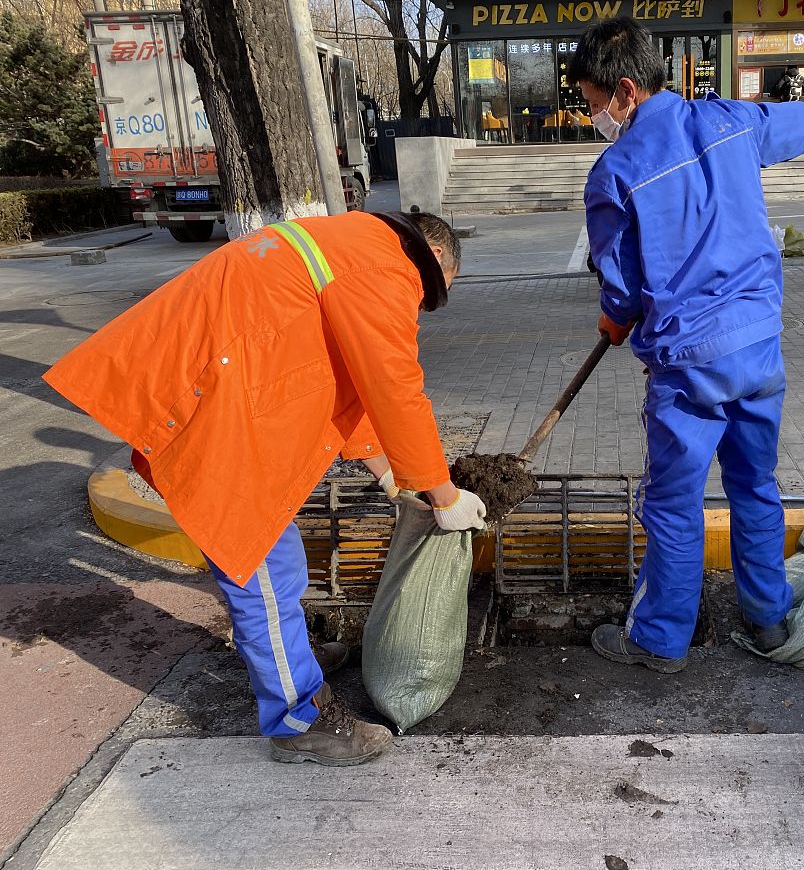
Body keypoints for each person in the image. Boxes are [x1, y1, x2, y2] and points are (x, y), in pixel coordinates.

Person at [43, 209, 487, 765]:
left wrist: (390, 473)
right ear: (436, 256)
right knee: (263, 574)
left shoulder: (352, 244)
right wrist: (441, 495)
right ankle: (298, 719)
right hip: (218, 411)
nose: (419, 307)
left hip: (220, 388)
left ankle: (291, 658)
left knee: (279, 562)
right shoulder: (385, 265)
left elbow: (355, 375)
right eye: (431, 296)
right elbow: (393, 383)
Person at [567, 18, 804, 673]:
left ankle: (658, 640)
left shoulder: (615, 173)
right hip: (760, 350)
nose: (596, 118)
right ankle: (768, 619)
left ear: (625, 91)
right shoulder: (730, 120)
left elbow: (620, 290)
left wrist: (613, 322)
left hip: (690, 369)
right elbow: (803, 124)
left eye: (596, 105)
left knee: (674, 506)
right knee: (755, 487)